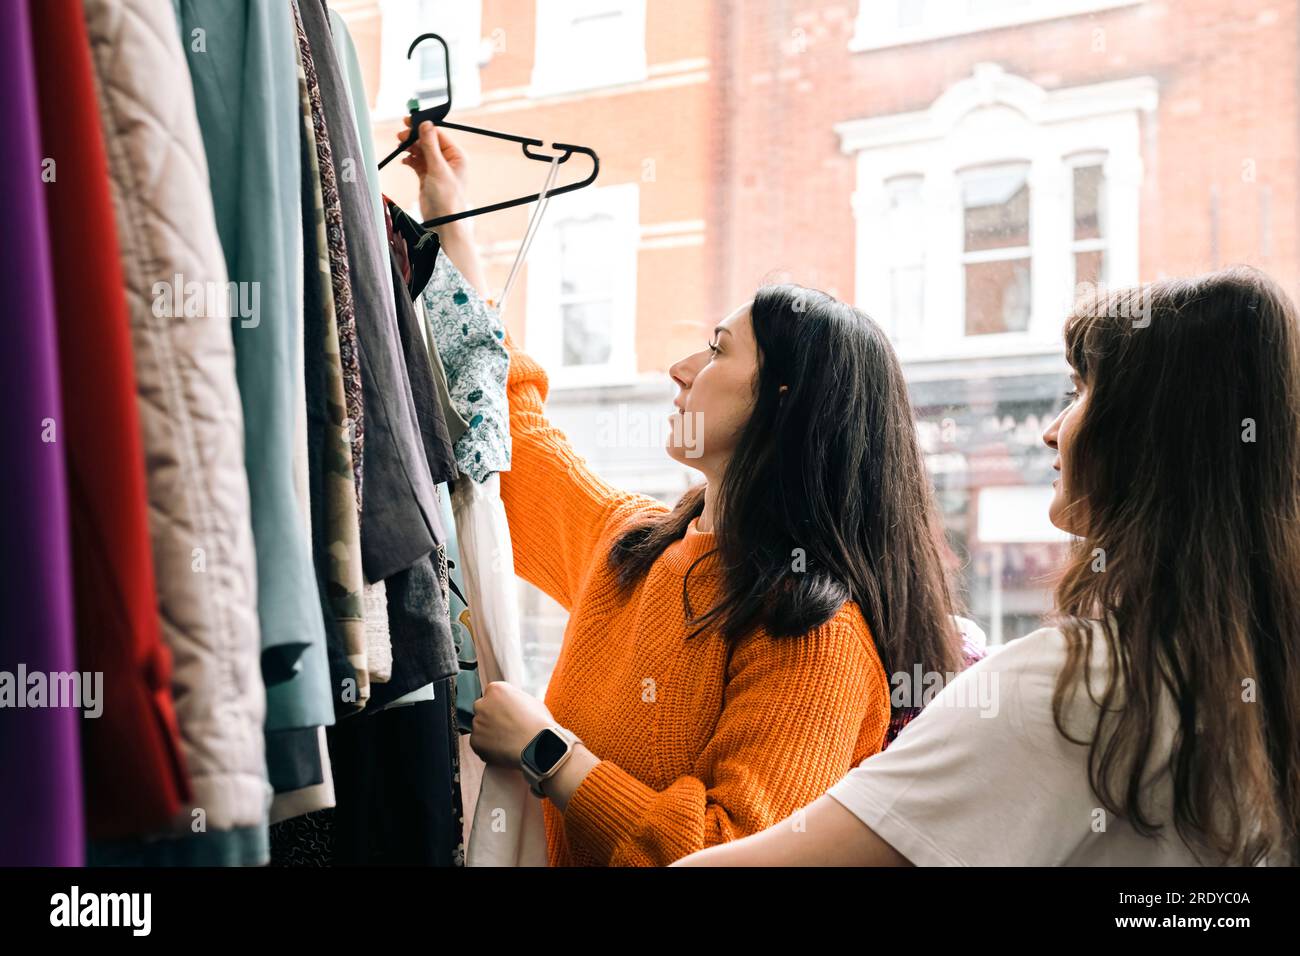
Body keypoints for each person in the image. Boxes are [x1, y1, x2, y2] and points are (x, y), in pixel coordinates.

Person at [401, 119, 969, 865]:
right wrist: (448, 215)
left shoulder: (815, 637)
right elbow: (508, 425)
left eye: (715, 350)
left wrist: (548, 754)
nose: (679, 367)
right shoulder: (631, 548)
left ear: (783, 400)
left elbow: (731, 851)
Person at [676, 267, 1300, 866]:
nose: (1051, 432)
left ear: (1153, 437)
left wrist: (573, 770)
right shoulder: (1255, 673)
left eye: (1082, 393)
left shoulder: (1073, 688)